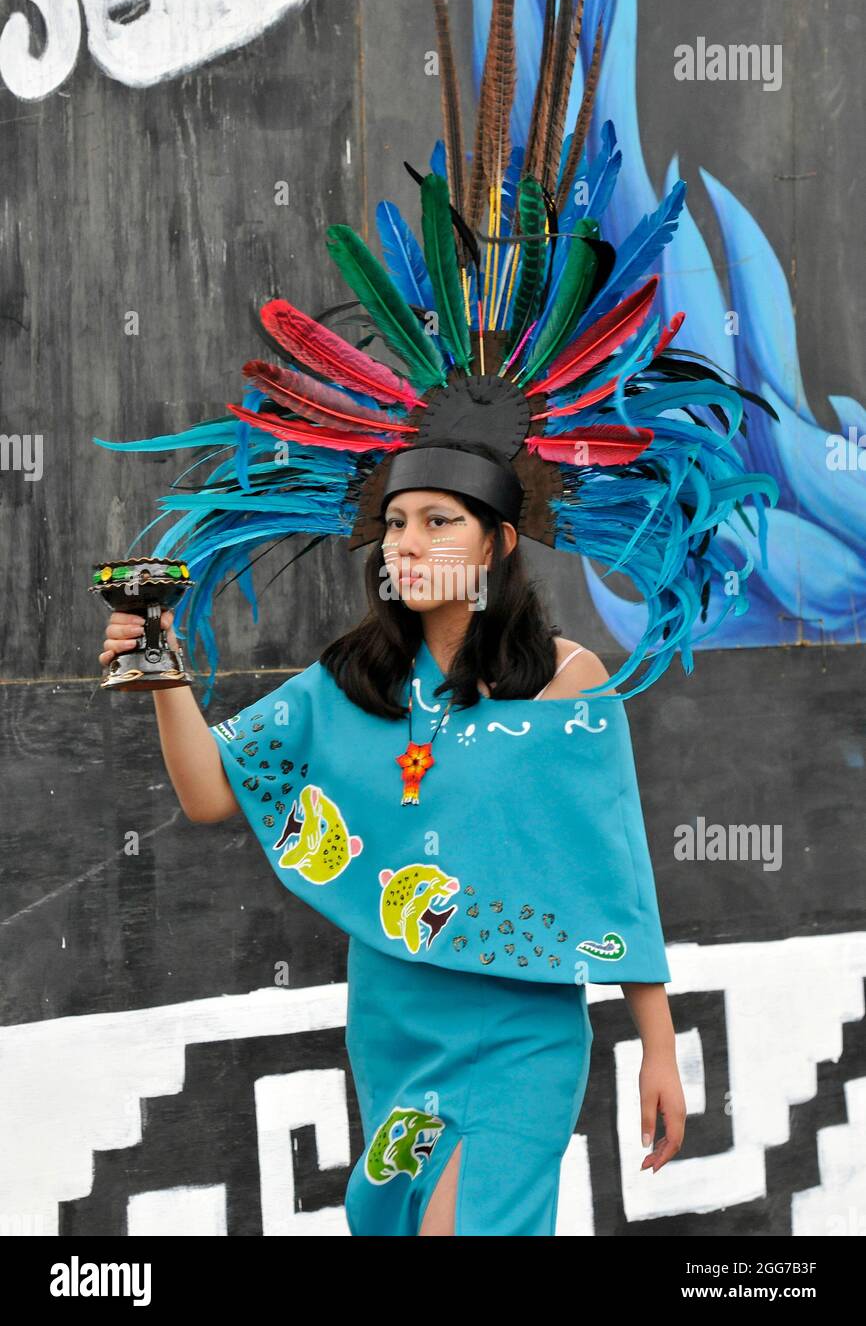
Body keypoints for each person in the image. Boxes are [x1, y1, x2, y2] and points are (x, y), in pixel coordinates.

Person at [98, 435, 686, 1236]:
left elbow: (612, 871)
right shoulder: (351, 680)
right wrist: (163, 670)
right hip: (396, 1021)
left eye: (438, 521)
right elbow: (208, 793)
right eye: (397, 522)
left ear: (498, 543)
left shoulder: (564, 680)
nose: (407, 543)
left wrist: (657, 1044)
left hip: (524, 1028)